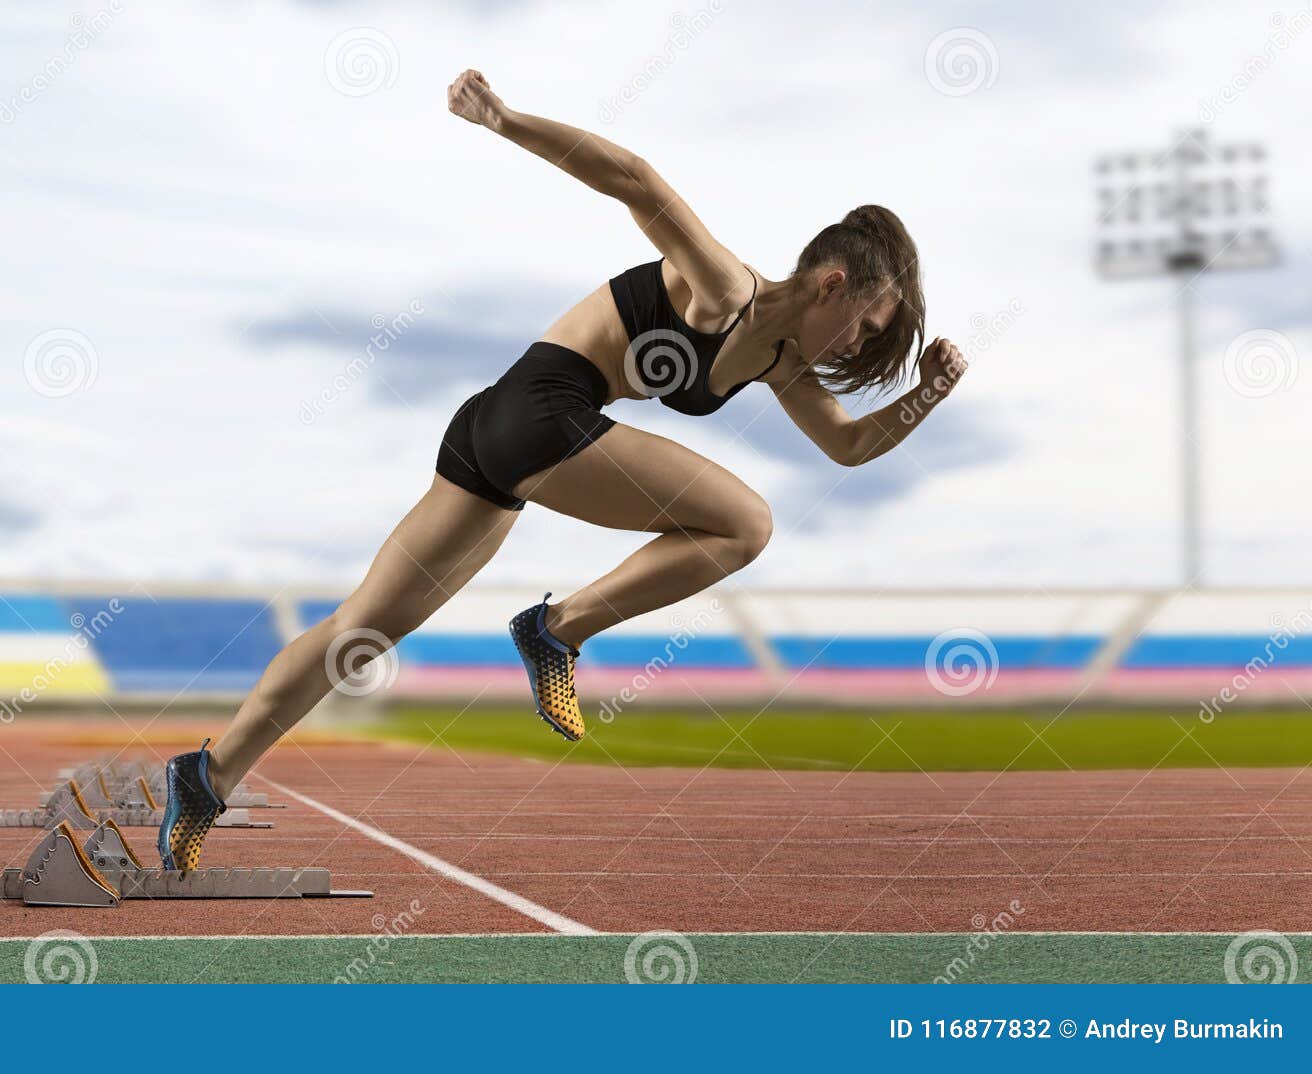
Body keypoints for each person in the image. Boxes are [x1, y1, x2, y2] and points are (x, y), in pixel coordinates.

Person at [157, 69, 968, 869]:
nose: (859, 348)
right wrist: (503, 119)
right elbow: (633, 179)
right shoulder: (724, 290)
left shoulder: (780, 364)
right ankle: (556, 630)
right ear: (832, 284)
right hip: (541, 410)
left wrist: (927, 394)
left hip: (496, 433)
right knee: (746, 523)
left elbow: (850, 447)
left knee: (358, 633)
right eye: (865, 326)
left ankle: (207, 776)